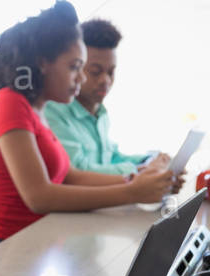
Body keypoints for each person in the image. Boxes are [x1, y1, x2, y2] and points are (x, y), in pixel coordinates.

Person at [0, 1, 180, 265]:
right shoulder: (11, 102)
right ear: (42, 64)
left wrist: (137, 179)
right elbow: (39, 197)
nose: (82, 78)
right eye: (75, 67)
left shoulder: (37, 108)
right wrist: (133, 192)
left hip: (28, 242)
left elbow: (70, 177)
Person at [42, 18, 169, 174]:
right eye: (95, 72)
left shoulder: (100, 113)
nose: (105, 80)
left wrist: (150, 161)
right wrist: (138, 171)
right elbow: (77, 172)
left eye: (111, 72)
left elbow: (111, 158)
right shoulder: (53, 112)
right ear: (76, 68)